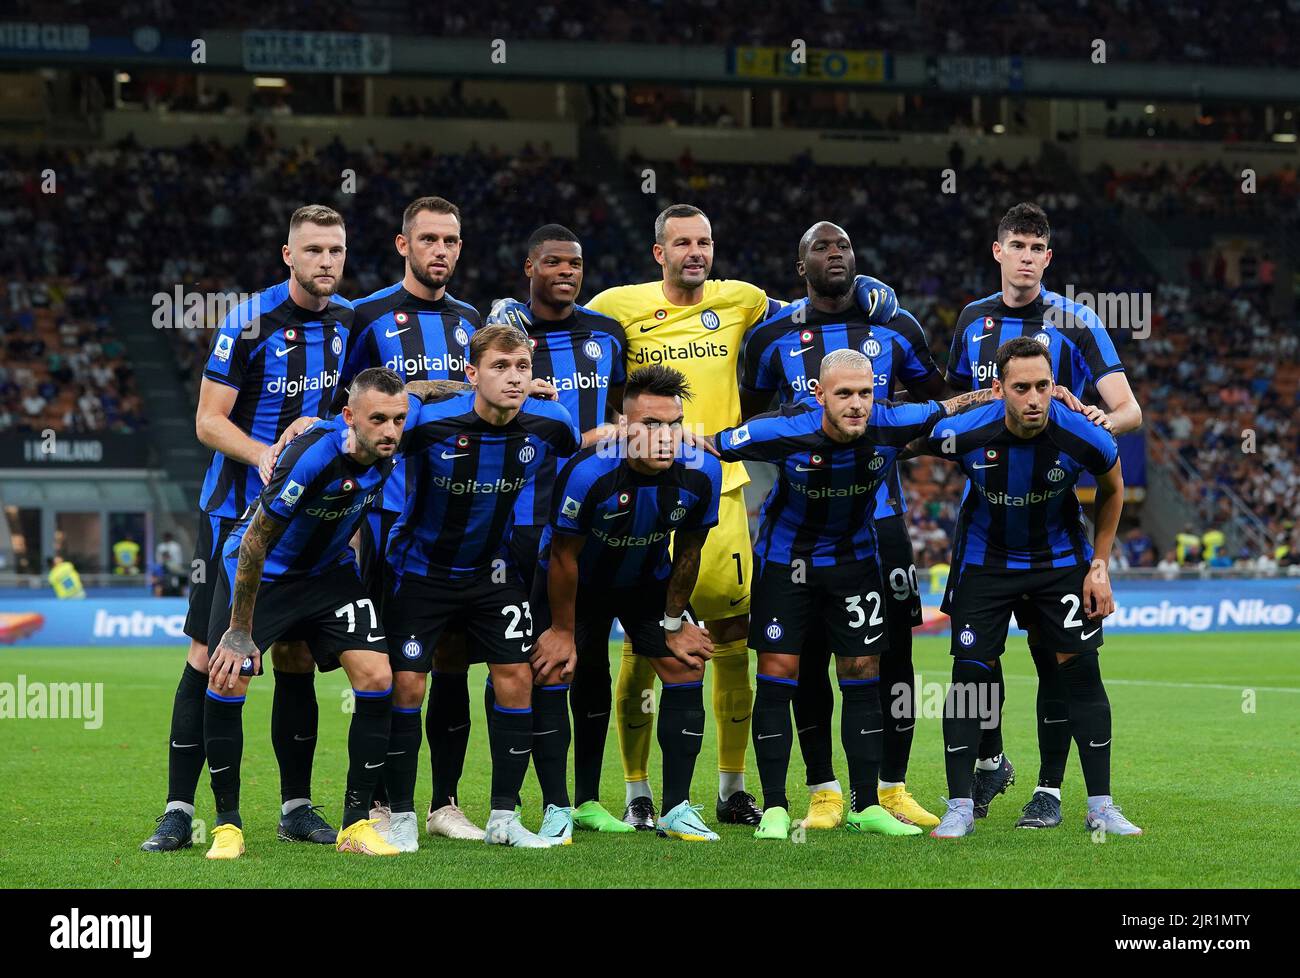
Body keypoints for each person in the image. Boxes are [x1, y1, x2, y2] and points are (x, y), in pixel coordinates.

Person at [586, 202, 899, 829]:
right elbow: (566, 328)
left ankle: (732, 788)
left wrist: (863, 290)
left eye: (704, 240)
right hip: (644, 493)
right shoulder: (618, 304)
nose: (696, 251)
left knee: (731, 641)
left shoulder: (744, 299)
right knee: (644, 644)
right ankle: (637, 790)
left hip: (721, 491)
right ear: (659, 252)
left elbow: (806, 312)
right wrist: (509, 314)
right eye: (682, 243)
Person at [709, 349, 991, 840]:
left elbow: (956, 404)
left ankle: (866, 805)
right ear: (819, 395)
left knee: (863, 670)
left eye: (865, 393)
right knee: (780, 672)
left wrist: (1052, 396)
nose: (857, 404)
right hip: (785, 563)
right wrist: (634, 434)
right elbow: (711, 446)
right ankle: (776, 807)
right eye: (844, 394)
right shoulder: (782, 428)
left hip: (856, 562)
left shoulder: (893, 420)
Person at [141, 205, 351, 854]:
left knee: (293, 657)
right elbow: (208, 420)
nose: (325, 262)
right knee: (210, 657)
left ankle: (295, 807)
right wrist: (262, 454)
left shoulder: (352, 323)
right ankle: (178, 810)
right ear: (288, 255)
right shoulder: (248, 320)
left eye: (335, 251)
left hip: (311, 521)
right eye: (312, 250)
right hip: (234, 515)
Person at [739, 221, 949, 829]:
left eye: (845, 247)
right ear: (799, 265)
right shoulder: (772, 335)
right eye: (821, 248)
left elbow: (934, 407)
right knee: (800, 656)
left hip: (880, 520)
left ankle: (888, 788)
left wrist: (879, 447)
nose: (836, 255)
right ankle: (824, 789)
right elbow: (754, 419)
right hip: (804, 524)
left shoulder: (896, 324)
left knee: (893, 655)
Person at [944, 201, 1141, 824]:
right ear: (997, 251)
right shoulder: (972, 321)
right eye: (1017, 246)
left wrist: (1091, 420)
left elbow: (1128, 410)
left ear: (1048, 259)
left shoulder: (1077, 321)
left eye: (1037, 248)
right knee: (977, 668)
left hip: (1058, 536)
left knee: (1062, 667)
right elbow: (951, 409)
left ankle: (1053, 792)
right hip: (986, 533)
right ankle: (987, 767)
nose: (1027, 257)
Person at [381, 324, 598, 850]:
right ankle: (403, 816)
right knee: (408, 686)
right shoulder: (428, 424)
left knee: (516, 679)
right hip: (421, 571)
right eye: (499, 367)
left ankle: (504, 818)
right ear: (472, 374)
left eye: (522, 366)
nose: (514, 377)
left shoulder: (551, 422)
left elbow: (575, 449)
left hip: (494, 572)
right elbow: (374, 433)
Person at [915, 337, 1141, 838]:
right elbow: (901, 440)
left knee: (1080, 675)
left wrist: (1099, 566)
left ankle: (1100, 806)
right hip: (985, 562)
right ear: (999, 389)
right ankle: (958, 806)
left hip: (1059, 562)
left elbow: (1113, 490)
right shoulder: (961, 432)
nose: (1034, 398)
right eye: (1022, 388)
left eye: (1043, 386)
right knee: (970, 679)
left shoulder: (1085, 436)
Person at [202, 367, 410, 859]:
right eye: (378, 419)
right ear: (349, 417)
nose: (391, 431)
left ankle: (355, 825)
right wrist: (238, 631)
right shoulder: (313, 455)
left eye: (398, 420)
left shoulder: (393, 431)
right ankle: (227, 826)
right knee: (228, 678)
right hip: (265, 571)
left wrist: (498, 389)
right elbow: (254, 543)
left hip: (328, 574)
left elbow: (425, 392)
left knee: (379, 676)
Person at [529, 365, 723, 842]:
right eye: (649, 426)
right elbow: (563, 556)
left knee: (688, 665)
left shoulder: (703, 471)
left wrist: (675, 621)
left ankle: (676, 809)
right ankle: (560, 807)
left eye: (674, 424)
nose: (664, 437)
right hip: (577, 585)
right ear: (623, 427)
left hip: (646, 582)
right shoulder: (588, 470)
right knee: (560, 672)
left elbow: (690, 551)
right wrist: (560, 630)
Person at [485, 224, 626, 839]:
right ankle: (524, 801)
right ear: (529, 268)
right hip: (521, 522)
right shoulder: (508, 339)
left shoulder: (606, 335)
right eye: (553, 262)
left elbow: (620, 413)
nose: (567, 271)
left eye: (575, 262)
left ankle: (586, 798)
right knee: (525, 662)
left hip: (594, 522)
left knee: (588, 658)